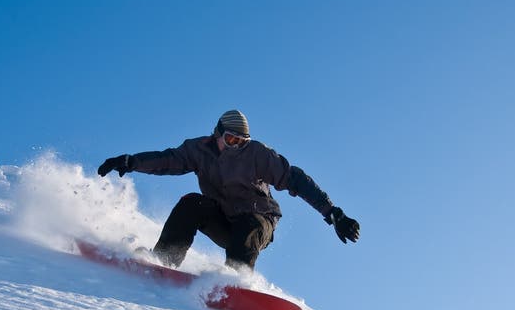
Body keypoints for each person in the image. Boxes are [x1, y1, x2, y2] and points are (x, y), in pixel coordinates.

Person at [98, 109, 360, 270]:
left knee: (250, 223)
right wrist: (131, 162)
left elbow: (295, 179)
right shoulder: (198, 150)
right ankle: (164, 260)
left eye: (241, 141)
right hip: (223, 219)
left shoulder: (257, 154)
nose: (236, 146)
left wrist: (332, 212)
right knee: (192, 203)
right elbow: (167, 161)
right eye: (231, 139)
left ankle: (235, 279)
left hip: (258, 221)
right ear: (217, 134)